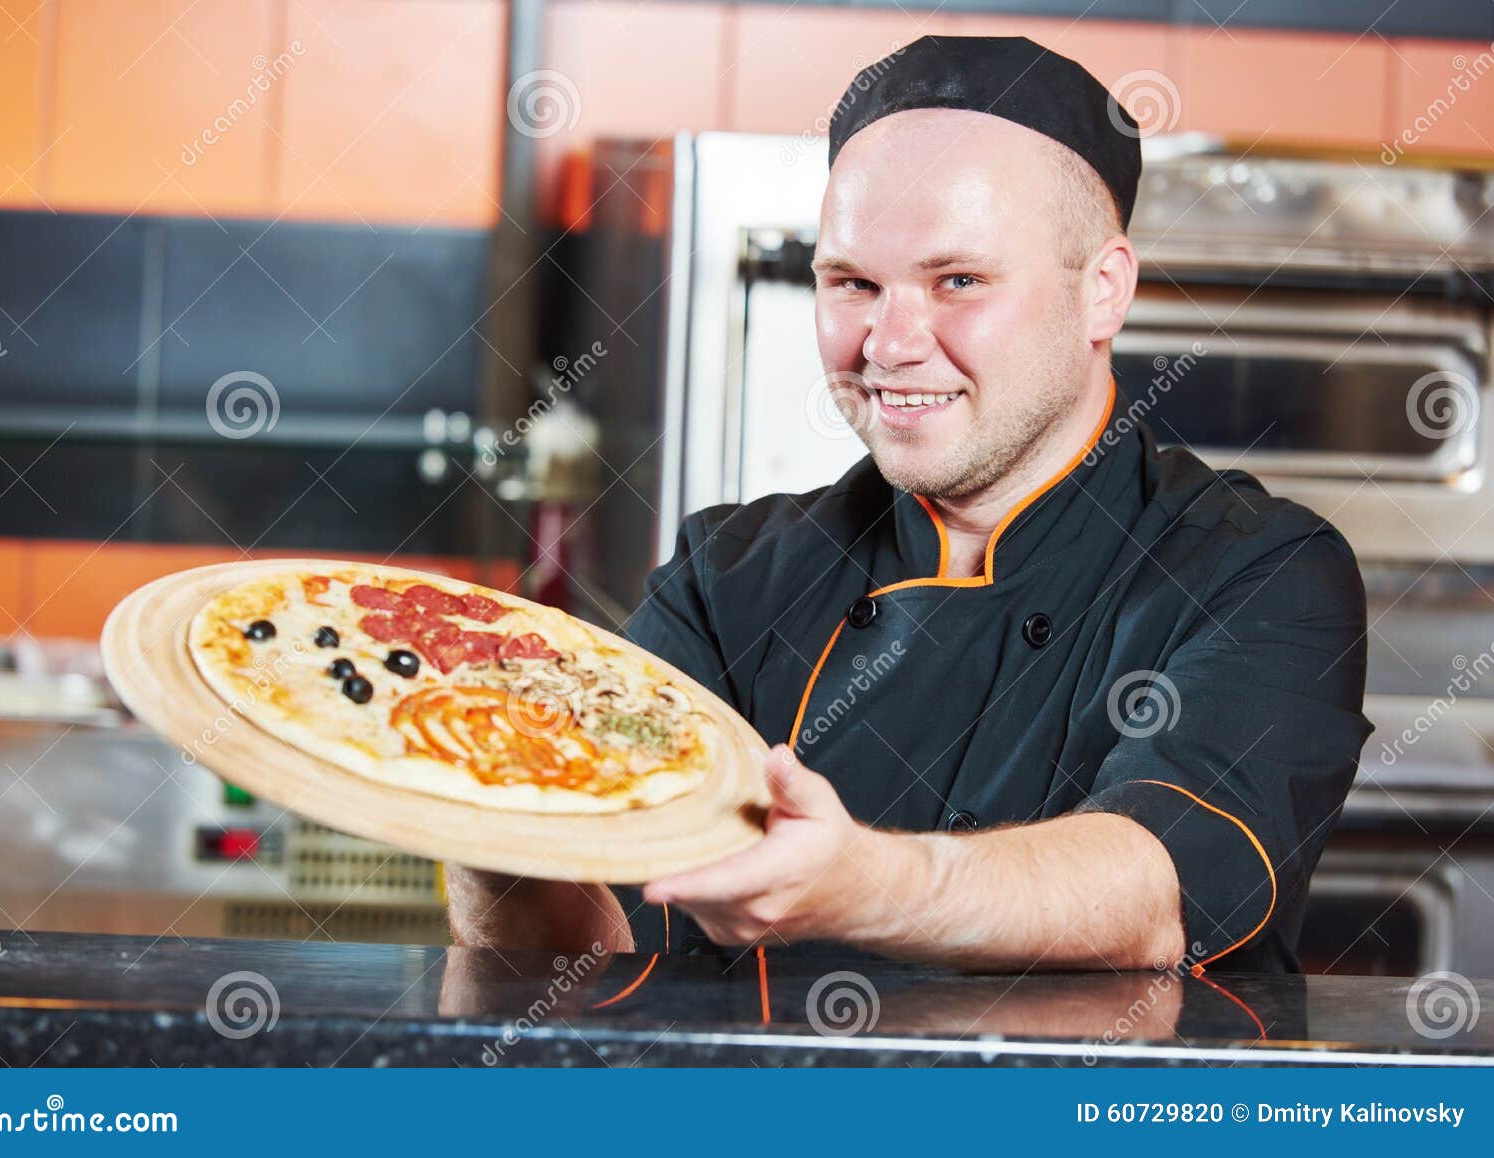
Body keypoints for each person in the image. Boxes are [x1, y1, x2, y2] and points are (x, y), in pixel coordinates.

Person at [448, 35, 1373, 975]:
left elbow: (1153, 895)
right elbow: (593, 958)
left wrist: (858, 886)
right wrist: (489, 835)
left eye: (957, 281)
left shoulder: (1258, 569)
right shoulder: (725, 578)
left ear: (1103, 292)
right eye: (851, 283)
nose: (887, 344)